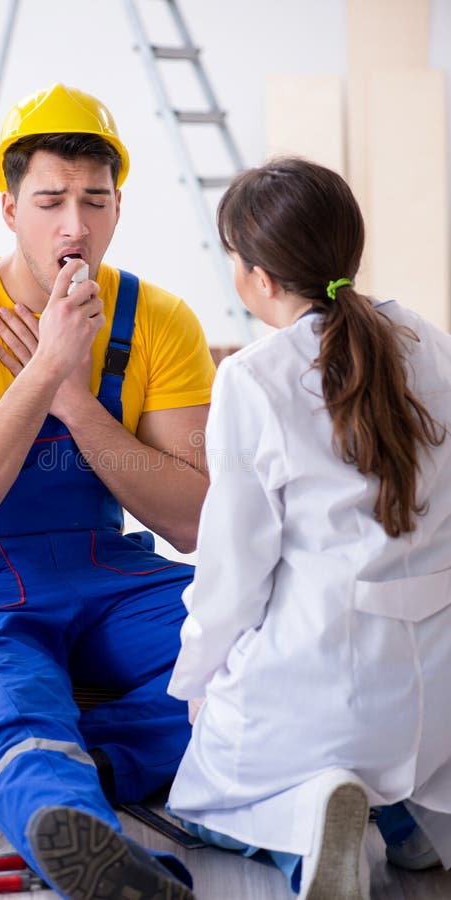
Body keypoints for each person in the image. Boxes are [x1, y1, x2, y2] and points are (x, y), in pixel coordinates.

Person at [0, 83, 216, 900]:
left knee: (250, 660)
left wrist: (73, 396)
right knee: (10, 696)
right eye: (51, 200)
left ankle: (58, 765)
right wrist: (48, 366)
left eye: (94, 201)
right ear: (8, 208)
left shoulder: (159, 322)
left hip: (107, 568)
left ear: (117, 206)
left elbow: (195, 519)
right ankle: (94, 854)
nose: (75, 226)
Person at [165, 157, 451, 899]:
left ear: (257, 276)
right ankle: (409, 822)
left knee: (198, 799)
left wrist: (198, 681)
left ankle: (310, 824)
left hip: (324, 685)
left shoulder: (253, 378)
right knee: (406, 756)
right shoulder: (429, 340)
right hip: (435, 690)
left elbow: (233, 571)